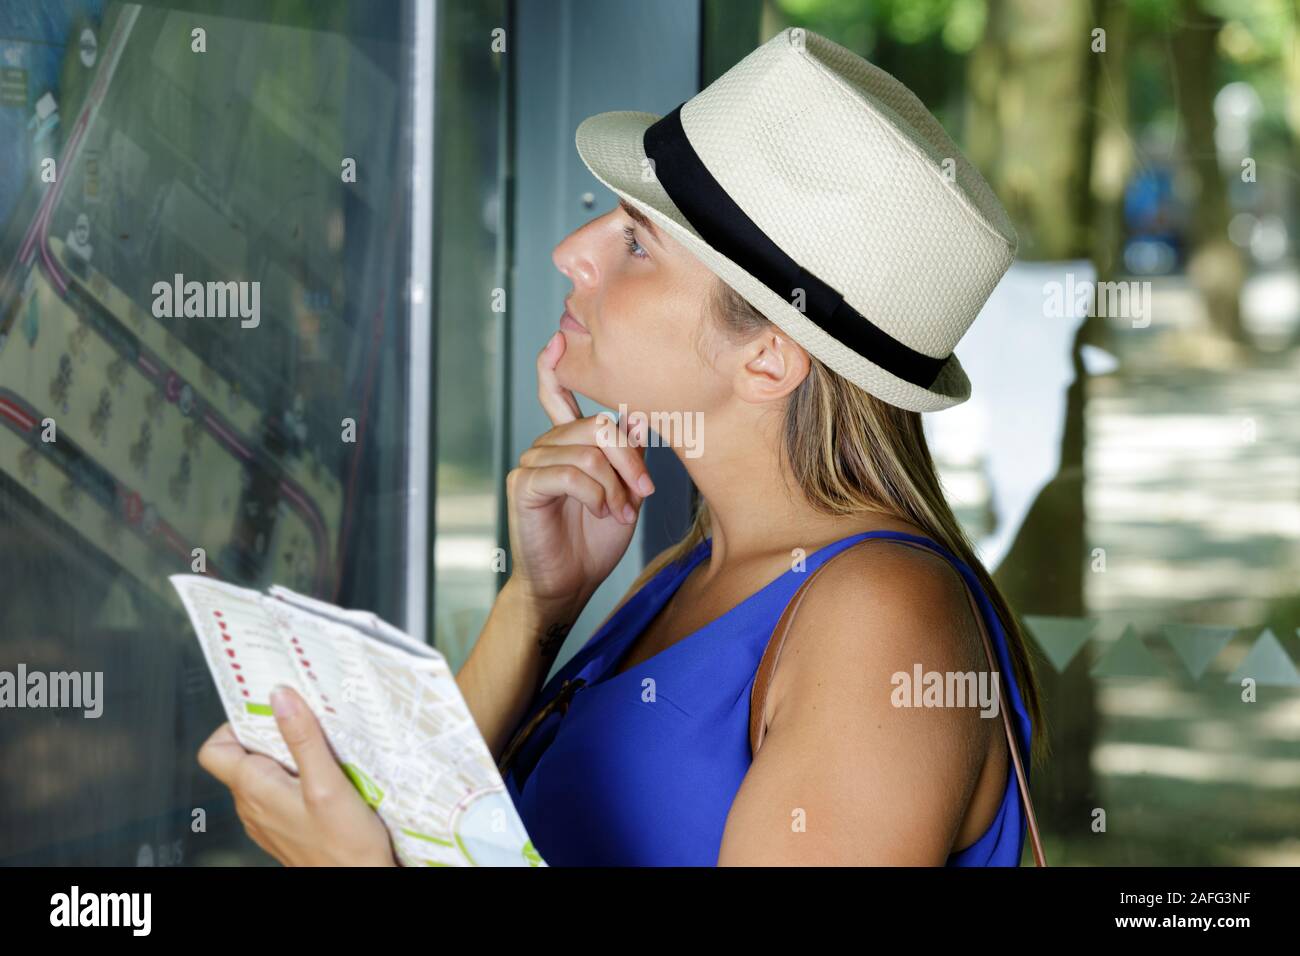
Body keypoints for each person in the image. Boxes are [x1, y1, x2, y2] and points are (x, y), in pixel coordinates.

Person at [199, 26, 1044, 867]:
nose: (572, 252)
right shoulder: (690, 570)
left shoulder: (882, 619)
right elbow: (434, 824)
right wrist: (537, 609)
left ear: (769, 356)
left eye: (637, 243)